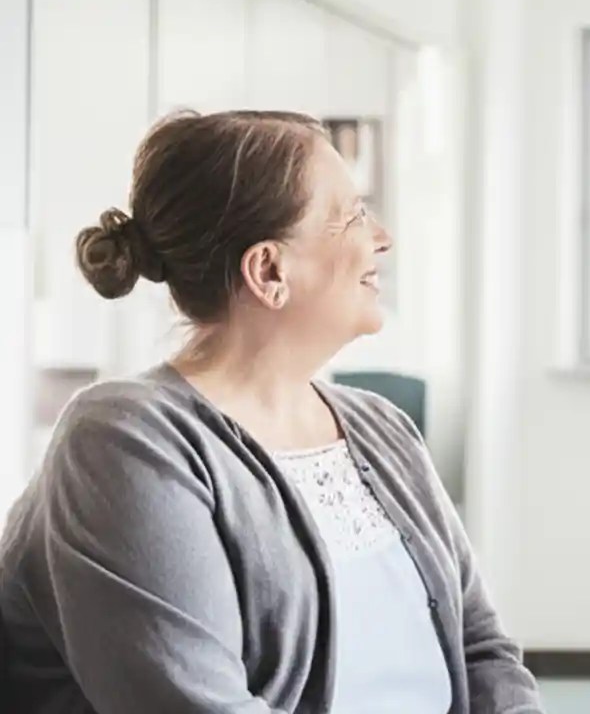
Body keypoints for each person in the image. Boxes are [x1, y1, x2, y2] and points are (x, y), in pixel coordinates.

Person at [0, 110, 543, 713]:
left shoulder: (383, 426)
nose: (382, 237)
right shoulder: (126, 440)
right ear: (269, 270)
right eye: (354, 214)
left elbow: (483, 650)